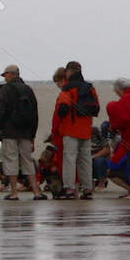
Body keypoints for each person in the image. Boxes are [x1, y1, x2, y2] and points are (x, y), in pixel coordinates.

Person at [0, 64, 44, 200]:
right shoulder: (28, 89)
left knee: (11, 160)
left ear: (12, 74)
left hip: (9, 131)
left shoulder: (4, 90)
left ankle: (14, 192)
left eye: (6, 75)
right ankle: (36, 192)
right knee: (27, 161)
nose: (5, 77)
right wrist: (33, 134)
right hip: (26, 132)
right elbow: (35, 114)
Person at [53, 62, 98, 200]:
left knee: (70, 159)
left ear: (68, 72)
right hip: (86, 129)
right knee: (85, 160)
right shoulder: (90, 88)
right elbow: (96, 108)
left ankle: (69, 189)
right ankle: (87, 189)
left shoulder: (68, 89)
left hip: (71, 129)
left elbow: (62, 109)